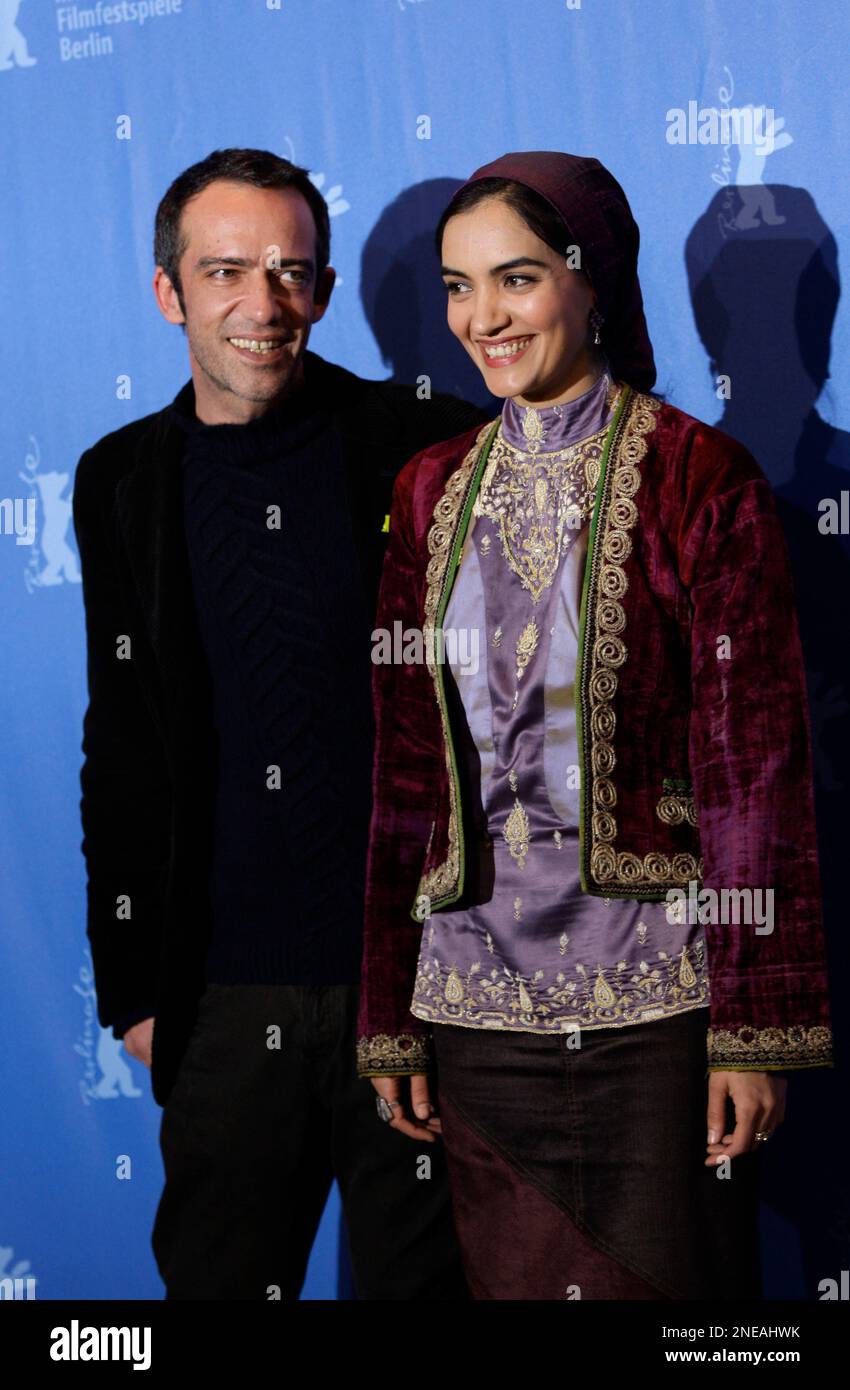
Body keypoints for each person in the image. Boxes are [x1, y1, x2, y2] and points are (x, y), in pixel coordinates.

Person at [356, 150, 834, 1300]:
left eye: (515, 279)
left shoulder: (698, 477)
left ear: (591, 279)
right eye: (459, 287)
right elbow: (407, 772)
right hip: (472, 1008)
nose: (481, 318)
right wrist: (388, 1016)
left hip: (656, 1007)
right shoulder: (427, 488)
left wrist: (750, 1029)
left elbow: (750, 770)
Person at [72, 147, 490, 1299]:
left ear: (325, 287)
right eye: (225, 273)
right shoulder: (119, 478)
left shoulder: (423, 446)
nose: (263, 305)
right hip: (218, 1002)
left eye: (292, 272)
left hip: (415, 994)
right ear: (170, 292)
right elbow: (125, 742)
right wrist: (136, 995)